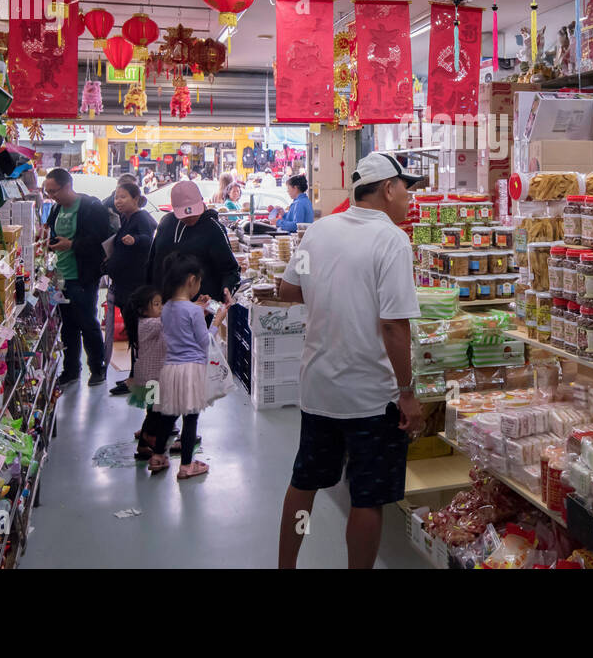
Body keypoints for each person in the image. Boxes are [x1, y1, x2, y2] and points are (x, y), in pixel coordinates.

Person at [276, 152, 426, 569]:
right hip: (371, 398)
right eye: (406, 188)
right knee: (367, 497)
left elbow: (288, 291)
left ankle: (285, 565)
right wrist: (408, 394)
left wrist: (332, 292)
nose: (409, 197)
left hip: (319, 387)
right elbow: (395, 327)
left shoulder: (320, 230)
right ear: (387, 188)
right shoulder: (392, 239)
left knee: (304, 482)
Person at [149, 254, 228, 479]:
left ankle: (157, 457)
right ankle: (186, 465)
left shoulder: (166, 307)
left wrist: (197, 309)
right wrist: (216, 322)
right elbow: (205, 343)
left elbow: (179, 326)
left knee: (168, 415)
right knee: (190, 417)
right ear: (191, 280)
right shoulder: (193, 311)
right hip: (191, 369)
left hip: (170, 369)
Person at [42, 168, 113, 387]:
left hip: (82, 276)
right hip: (59, 277)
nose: (51, 196)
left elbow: (101, 240)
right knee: (68, 325)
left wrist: (71, 245)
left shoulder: (91, 208)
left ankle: (97, 367)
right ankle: (71, 369)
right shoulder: (56, 209)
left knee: (87, 321)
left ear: (67, 186)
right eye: (48, 192)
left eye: (54, 191)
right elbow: (52, 235)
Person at [146, 180, 241, 304]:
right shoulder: (166, 223)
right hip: (163, 307)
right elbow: (152, 262)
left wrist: (227, 289)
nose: (189, 217)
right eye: (183, 214)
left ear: (202, 201)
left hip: (201, 310)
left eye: (193, 212)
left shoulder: (213, 228)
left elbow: (231, 270)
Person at [105, 181, 158, 396]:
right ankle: (134, 377)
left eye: (123, 196)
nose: (118, 201)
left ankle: (141, 379)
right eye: (117, 196)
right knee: (134, 337)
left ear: (136, 199)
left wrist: (134, 239)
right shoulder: (126, 219)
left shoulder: (142, 218)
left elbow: (148, 240)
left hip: (136, 288)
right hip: (125, 287)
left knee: (140, 337)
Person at [130, 285, 165, 461]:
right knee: (154, 412)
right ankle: (148, 437)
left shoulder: (149, 322)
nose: (161, 308)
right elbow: (168, 320)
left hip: (151, 376)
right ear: (143, 310)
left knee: (153, 411)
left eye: (161, 303)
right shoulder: (149, 324)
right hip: (151, 378)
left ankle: (143, 445)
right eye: (157, 305)